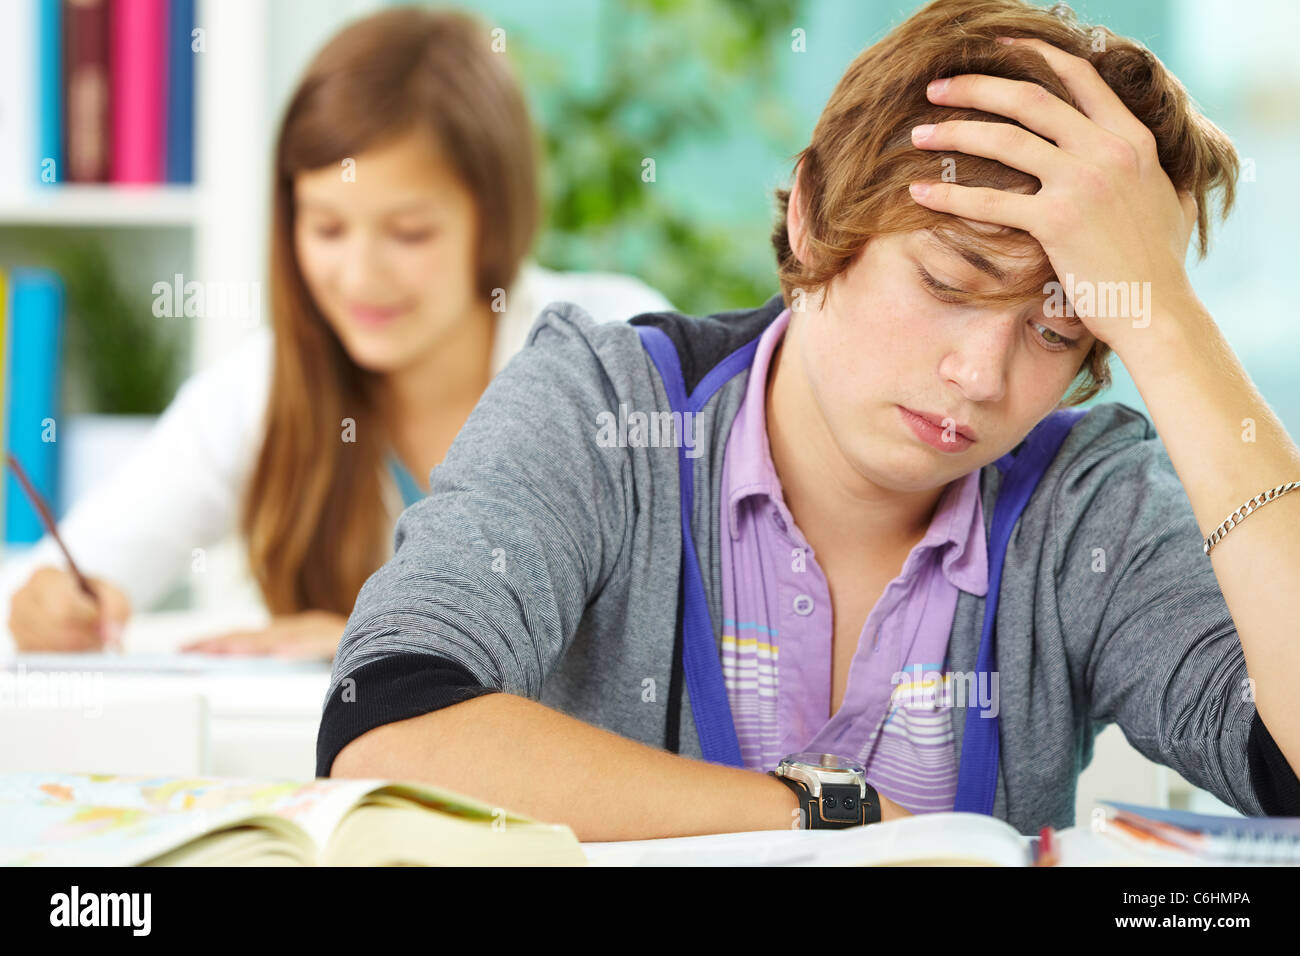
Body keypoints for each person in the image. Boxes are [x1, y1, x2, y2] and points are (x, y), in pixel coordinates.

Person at [318, 0, 1300, 842]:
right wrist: (824, 812)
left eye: (1059, 331)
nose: (979, 373)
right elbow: (386, 738)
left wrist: (1164, 321)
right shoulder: (605, 407)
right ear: (814, 215)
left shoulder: (1088, 510)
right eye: (947, 281)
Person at [0, 8, 671, 660]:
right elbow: (76, 572)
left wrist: (375, 636)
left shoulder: (616, 346)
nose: (359, 276)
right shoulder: (260, 386)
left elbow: (678, 628)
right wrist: (48, 606)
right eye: (326, 228)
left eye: (409, 233)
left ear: (493, 224)